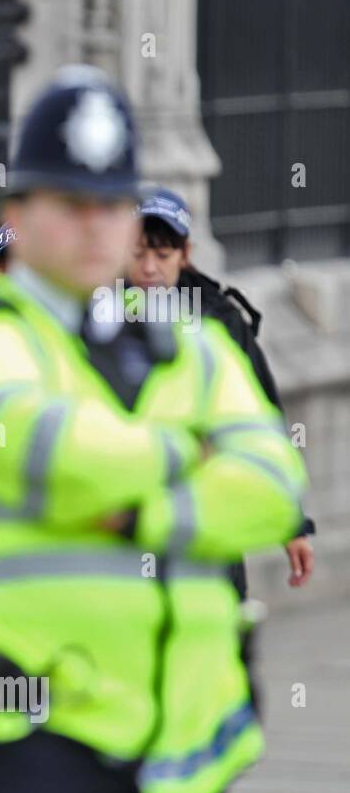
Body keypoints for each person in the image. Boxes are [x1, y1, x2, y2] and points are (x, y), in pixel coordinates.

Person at [0, 66, 307, 793]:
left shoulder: (194, 344)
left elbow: (272, 483)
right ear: (18, 215)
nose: (96, 224)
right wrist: (193, 457)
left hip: (182, 756)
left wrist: (133, 508)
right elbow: (54, 450)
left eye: (112, 204)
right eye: (70, 202)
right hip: (24, 742)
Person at [128, 186, 314, 594]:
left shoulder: (220, 320)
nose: (149, 268)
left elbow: (263, 416)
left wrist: (292, 523)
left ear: (185, 254)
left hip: (206, 519)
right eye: (138, 253)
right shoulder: (97, 317)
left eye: (162, 255)